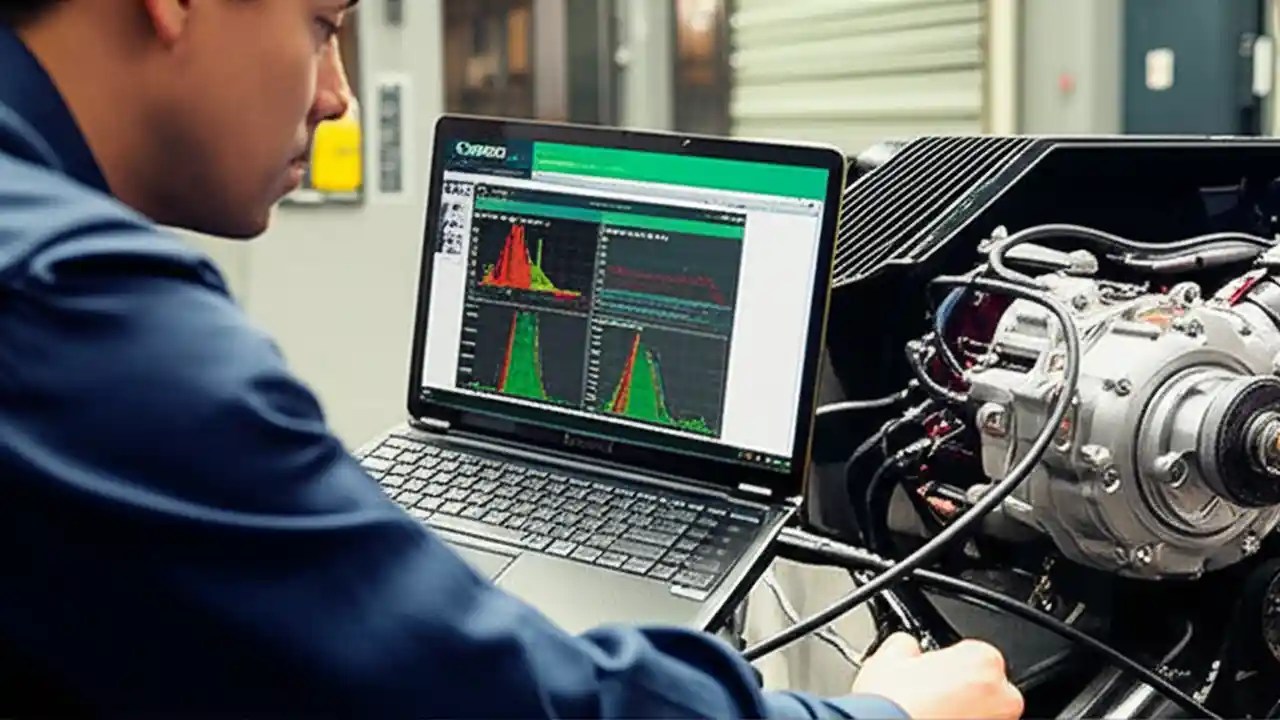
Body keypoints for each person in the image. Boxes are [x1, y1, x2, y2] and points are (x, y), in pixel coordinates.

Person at [0, 0, 1026, 717]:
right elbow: (494, 697)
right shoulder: (71, 303)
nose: (336, 98)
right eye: (321, 25)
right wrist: (880, 712)